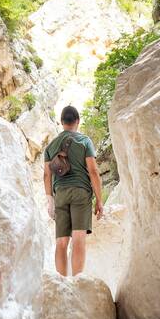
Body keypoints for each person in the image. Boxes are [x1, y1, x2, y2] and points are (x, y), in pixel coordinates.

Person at [43, 105, 103, 276]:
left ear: (61, 122)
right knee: (78, 240)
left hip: (60, 194)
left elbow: (47, 175)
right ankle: (77, 281)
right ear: (77, 121)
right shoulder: (84, 141)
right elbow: (93, 171)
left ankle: (61, 284)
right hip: (81, 193)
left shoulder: (51, 147)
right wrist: (99, 200)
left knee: (61, 242)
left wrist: (50, 201)